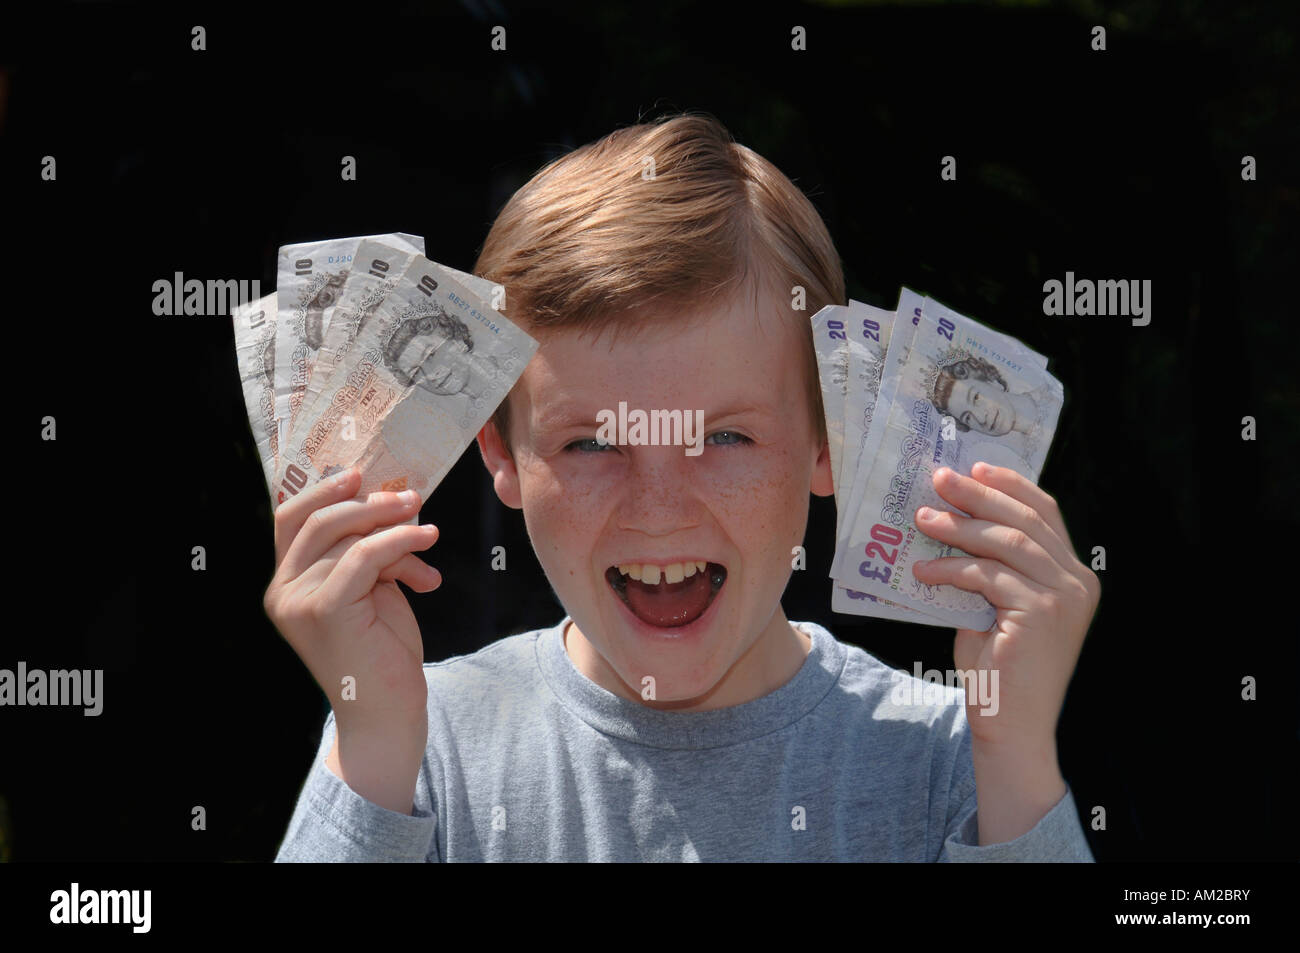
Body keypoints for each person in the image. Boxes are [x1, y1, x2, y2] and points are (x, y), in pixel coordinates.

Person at [267, 112, 1099, 861]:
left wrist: (1018, 759)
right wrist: (369, 737)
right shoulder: (420, 748)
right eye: (593, 443)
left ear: (826, 441)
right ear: (503, 456)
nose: (658, 507)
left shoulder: (954, 766)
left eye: (724, 436)